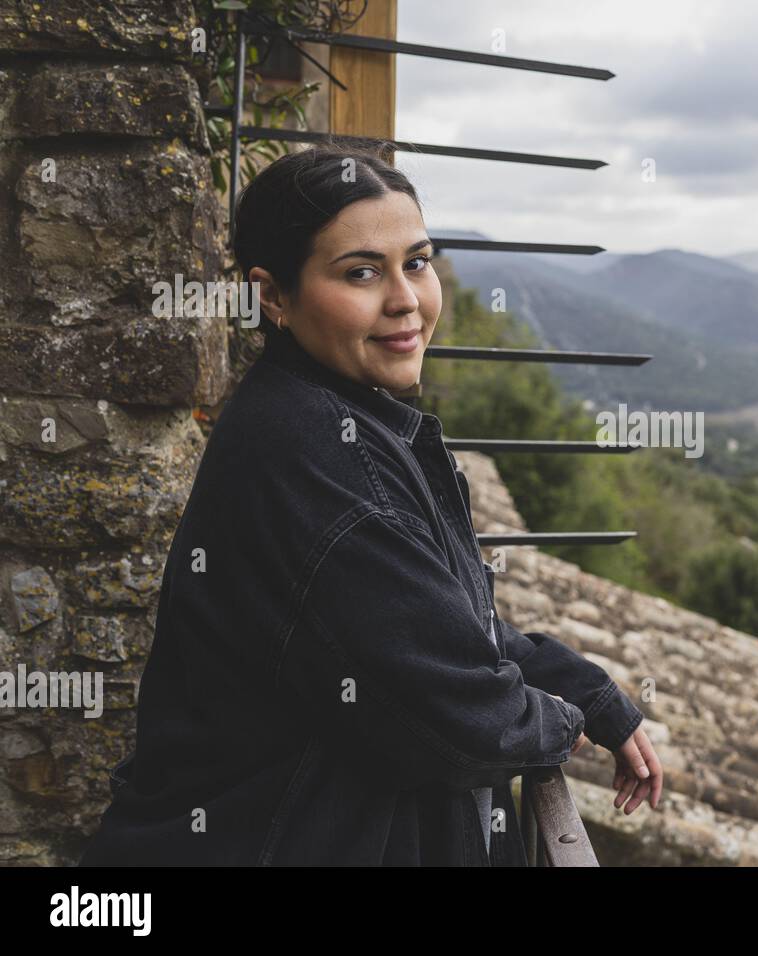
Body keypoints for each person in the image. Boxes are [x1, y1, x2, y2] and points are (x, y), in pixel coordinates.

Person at [79, 145, 662, 866]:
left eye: (416, 262)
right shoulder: (320, 457)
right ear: (274, 298)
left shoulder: (332, 418)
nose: (406, 300)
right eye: (360, 272)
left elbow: (437, 619)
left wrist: (591, 690)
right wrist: (560, 721)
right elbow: (467, 724)